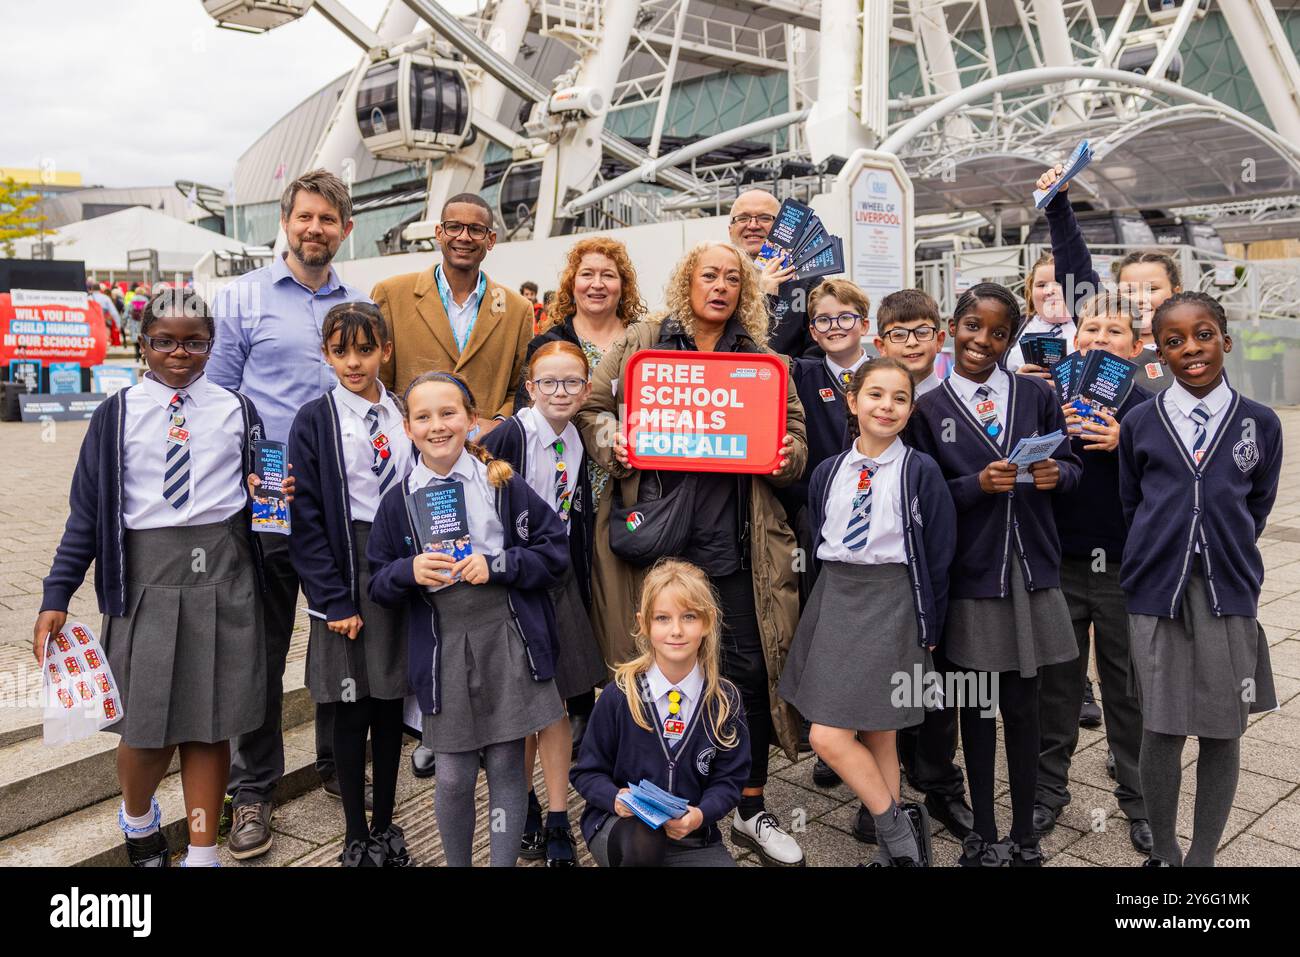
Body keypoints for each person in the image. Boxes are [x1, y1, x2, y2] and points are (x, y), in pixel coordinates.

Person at [577, 240, 808, 867]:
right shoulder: (645, 338)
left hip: (737, 549)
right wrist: (614, 440)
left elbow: (795, 436)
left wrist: (789, 456)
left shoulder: (759, 358)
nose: (721, 285)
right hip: (658, 547)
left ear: (745, 291)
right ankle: (648, 801)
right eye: (710, 274)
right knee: (650, 673)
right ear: (689, 280)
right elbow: (593, 409)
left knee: (748, 678)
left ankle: (749, 807)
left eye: (734, 278)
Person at [34, 289, 275, 867]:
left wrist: (274, 502)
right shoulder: (115, 414)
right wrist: (55, 594)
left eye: (194, 341)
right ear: (143, 345)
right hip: (145, 581)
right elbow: (87, 515)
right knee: (145, 730)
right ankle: (138, 817)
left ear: (211, 345)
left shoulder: (238, 410)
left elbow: (265, 506)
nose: (180, 352)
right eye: (165, 341)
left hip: (224, 577)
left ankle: (201, 851)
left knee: (210, 724)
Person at [208, 168, 368, 860]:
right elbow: (215, 399)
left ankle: (337, 763)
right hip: (266, 503)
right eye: (304, 217)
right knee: (261, 654)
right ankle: (251, 792)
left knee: (340, 638)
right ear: (285, 220)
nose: (315, 229)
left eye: (328, 220)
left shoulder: (360, 303)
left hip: (339, 505)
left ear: (345, 229)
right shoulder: (241, 299)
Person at [906, 282, 1082, 866]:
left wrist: (1062, 474)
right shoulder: (928, 408)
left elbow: (1075, 466)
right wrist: (973, 486)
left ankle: (1026, 836)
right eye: (972, 327)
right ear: (950, 330)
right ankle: (982, 829)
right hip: (974, 579)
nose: (984, 340)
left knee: (1024, 707)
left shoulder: (1033, 395)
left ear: (1013, 338)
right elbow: (923, 496)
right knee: (977, 709)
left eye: (999, 332)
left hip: (1030, 573)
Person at [366, 371, 568, 867]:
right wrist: (409, 571)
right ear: (408, 428)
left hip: (505, 633)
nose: (438, 425)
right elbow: (377, 582)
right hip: (442, 642)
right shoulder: (397, 502)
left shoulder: (501, 482)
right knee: (453, 773)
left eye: (449, 413)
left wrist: (499, 565)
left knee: (505, 763)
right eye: (423, 417)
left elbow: (554, 551)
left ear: (472, 420)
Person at [1119, 292, 1281, 867]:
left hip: (1227, 591)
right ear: (1159, 355)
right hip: (1156, 593)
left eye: (1203, 334)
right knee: (1161, 726)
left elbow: (1256, 505)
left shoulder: (1259, 424)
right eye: (1174, 341)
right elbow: (1132, 502)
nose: (1191, 348)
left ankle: (1204, 854)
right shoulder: (1140, 422)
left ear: (1225, 340)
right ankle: (1164, 850)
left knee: (1221, 728)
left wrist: (1221, 548)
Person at [781, 357, 956, 866]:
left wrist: (930, 624)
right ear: (853, 402)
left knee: (862, 729)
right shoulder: (829, 471)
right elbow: (818, 540)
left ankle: (896, 841)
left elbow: (940, 556)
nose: (887, 406)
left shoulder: (920, 471)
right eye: (875, 395)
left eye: (900, 398)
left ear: (911, 409)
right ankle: (901, 838)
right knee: (839, 729)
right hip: (836, 596)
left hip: (893, 601)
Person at [286, 302, 412, 867]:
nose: (354, 362)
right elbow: (306, 518)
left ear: (385, 349)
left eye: (365, 349)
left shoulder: (406, 409)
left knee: (388, 704)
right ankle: (355, 832)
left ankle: (387, 824)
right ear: (326, 354)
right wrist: (333, 597)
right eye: (341, 351)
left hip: (398, 564)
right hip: (347, 566)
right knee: (350, 703)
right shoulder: (314, 419)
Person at [1030, 292, 1155, 857]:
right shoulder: (1044, 397)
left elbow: (1177, 475)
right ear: (1074, 339)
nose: (1101, 338)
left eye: (1116, 331)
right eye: (1092, 328)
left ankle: (1140, 796)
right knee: (1057, 686)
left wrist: (1123, 442)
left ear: (1135, 347)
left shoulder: (1150, 405)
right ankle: (1047, 792)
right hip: (1059, 562)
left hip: (1126, 569)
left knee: (1128, 688)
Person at [484, 342, 607, 866]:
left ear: (585, 389)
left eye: (572, 383)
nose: (561, 392)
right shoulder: (512, 434)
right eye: (549, 383)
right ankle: (524, 805)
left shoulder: (575, 437)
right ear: (530, 388)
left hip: (558, 583)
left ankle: (558, 816)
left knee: (556, 705)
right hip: (516, 585)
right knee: (524, 709)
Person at [871, 289, 975, 843]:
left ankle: (938, 781)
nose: (911, 342)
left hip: (948, 558)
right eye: (899, 334)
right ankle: (881, 787)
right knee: (884, 677)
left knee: (939, 681)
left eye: (922, 331)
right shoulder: (874, 397)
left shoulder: (956, 397)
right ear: (881, 340)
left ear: (941, 336)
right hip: (884, 568)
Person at [571, 558, 750, 867]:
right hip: (621, 827)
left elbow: (729, 782)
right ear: (644, 623)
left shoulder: (725, 701)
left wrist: (699, 816)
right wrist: (615, 798)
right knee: (645, 839)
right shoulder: (620, 695)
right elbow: (586, 772)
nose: (676, 630)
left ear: (707, 622)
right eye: (663, 618)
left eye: (689, 617)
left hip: (692, 837)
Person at [785, 278, 870, 789]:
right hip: (817, 524)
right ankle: (830, 731)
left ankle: (866, 729)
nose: (835, 327)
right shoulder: (801, 373)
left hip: (874, 527)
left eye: (845, 318)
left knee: (866, 633)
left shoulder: (885, 373)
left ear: (863, 321)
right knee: (823, 632)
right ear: (812, 330)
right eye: (823, 320)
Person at [373, 193, 533, 430]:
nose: (464, 237)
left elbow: (520, 388)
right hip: (412, 451)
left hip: (486, 453)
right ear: (439, 234)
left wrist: (498, 423)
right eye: (454, 227)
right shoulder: (392, 295)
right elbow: (378, 382)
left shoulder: (518, 310)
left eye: (476, 230)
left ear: (490, 240)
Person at [1034, 163, 1181, 394]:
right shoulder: (1100, 316)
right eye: (1129, 291)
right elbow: (1073, 266)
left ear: (1176, 292)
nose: (1140, 299)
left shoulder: (1191, 346)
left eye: (1151, 289)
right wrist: (1057, 203)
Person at [727, 189, 818, 358]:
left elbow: (818, 352)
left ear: (781, 228)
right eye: (743, 218)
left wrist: (782, 374)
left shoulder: (809, 282)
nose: (753, 225)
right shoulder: (718, 282)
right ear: (730, 229)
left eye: (764, 218)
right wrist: (761, 295)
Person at [1006, 250, 1075, 375]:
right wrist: (1015, 380)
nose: (1050, 290)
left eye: (1059, 283)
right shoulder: (1013, 326)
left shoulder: (1095, 326)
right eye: (1041, 285)